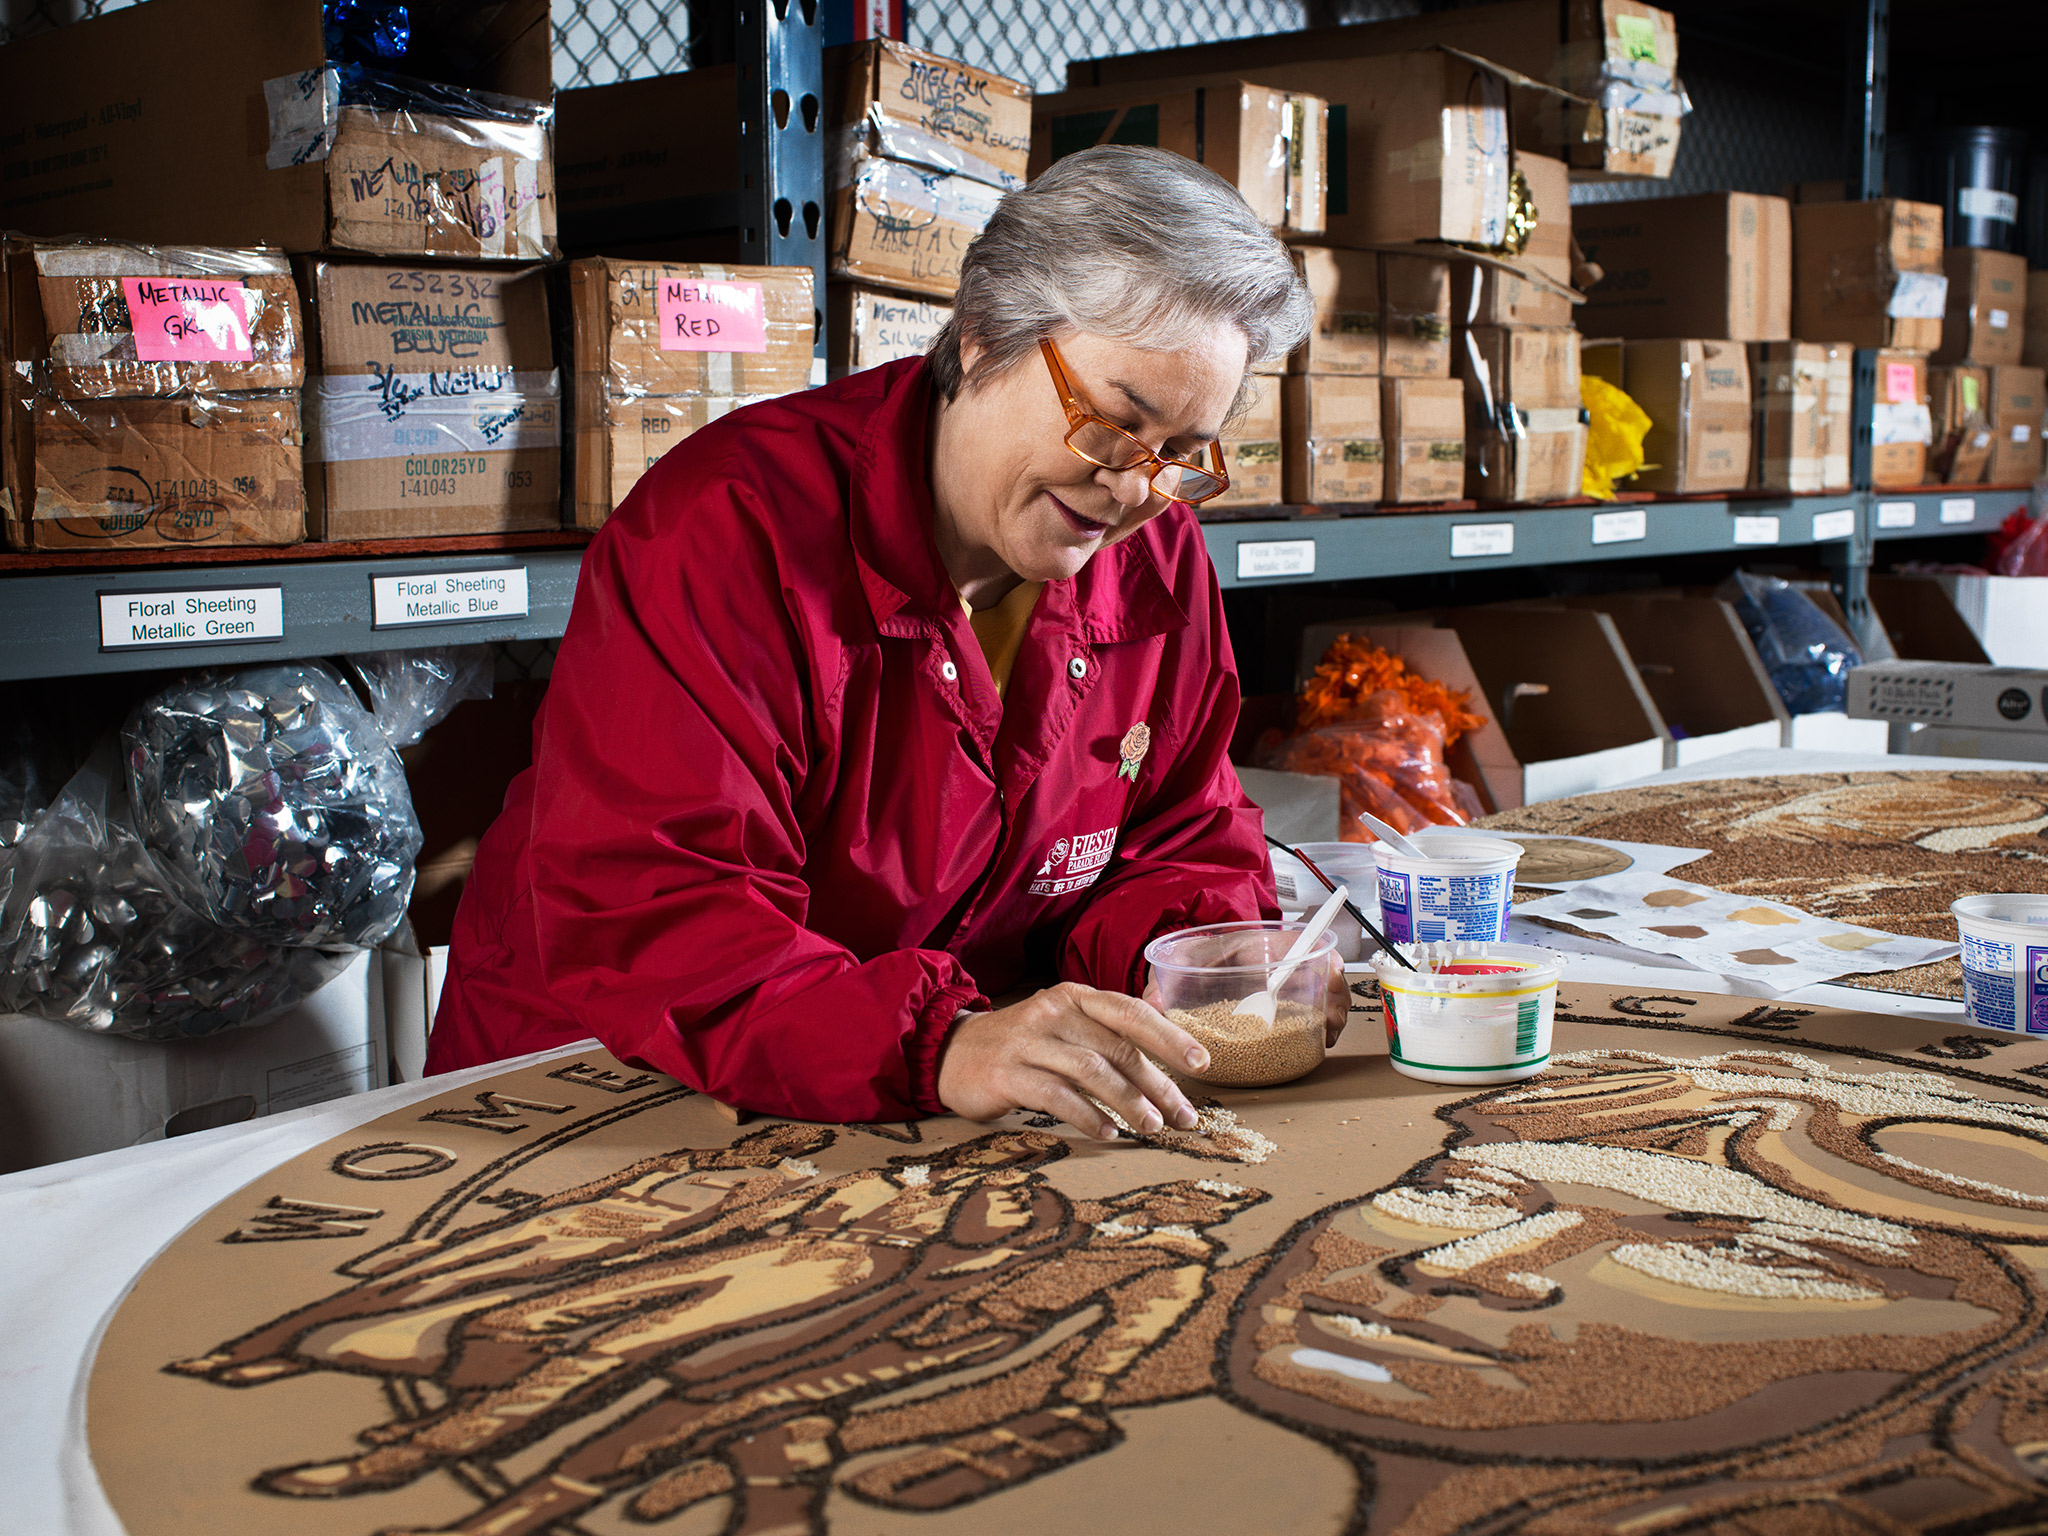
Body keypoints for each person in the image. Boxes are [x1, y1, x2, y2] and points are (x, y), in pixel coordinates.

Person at [427, 145, 1324, 1138]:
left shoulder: (1152, 553)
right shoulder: (728, 529)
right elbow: (665, 905)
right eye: (1114, 425)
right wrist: (934, 1041)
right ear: (982, 340)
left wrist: (1193, 967)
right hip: (607, 1081)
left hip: (913, 1098)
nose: (1129, 489)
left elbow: (1174, 833)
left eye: (1179, 456)